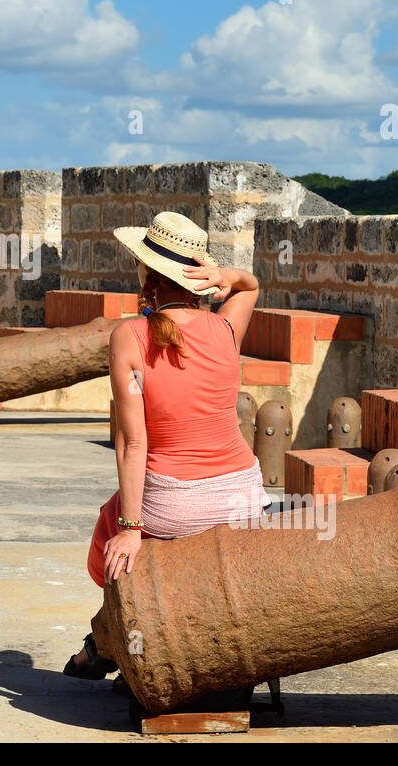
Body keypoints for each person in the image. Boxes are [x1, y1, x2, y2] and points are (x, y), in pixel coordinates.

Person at [64, 211, 268, 679]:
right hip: (243, 498)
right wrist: (228, 277)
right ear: (196, 278)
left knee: (107, 525)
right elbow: (251, 287)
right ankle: (103, 646)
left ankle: (107, 643)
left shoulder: (129, 337)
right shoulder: (226, 330)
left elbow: (133, 444)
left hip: (174, 505)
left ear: (147, 273)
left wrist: (131, 526)